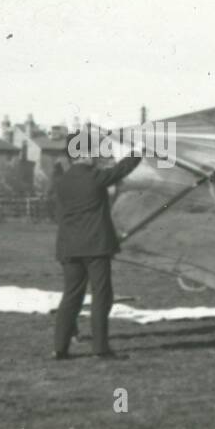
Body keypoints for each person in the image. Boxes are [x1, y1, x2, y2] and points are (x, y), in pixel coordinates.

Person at [52, 131, 144, 359]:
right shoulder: (94, 177)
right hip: (95, 247)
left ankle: (59, 349)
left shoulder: (61, 181)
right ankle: (100, 349)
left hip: (68, 248)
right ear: (81, 154)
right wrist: (138, 151)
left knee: (71, 297)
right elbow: (122, 169)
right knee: (102, 296)